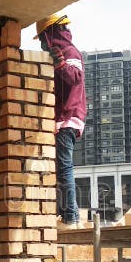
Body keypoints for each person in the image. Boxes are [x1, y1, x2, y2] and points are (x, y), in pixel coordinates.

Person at [34, 12, 87, 230]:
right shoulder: (57, 54)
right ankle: (65, 214)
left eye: (43, 40)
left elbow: (75, 77)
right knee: (58, 168)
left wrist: (61, 64)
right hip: (60, 119)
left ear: (50, 33)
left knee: (64, 167)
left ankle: (71, 218)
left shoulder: (69, 51)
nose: (43, 46)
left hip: (68, 119)